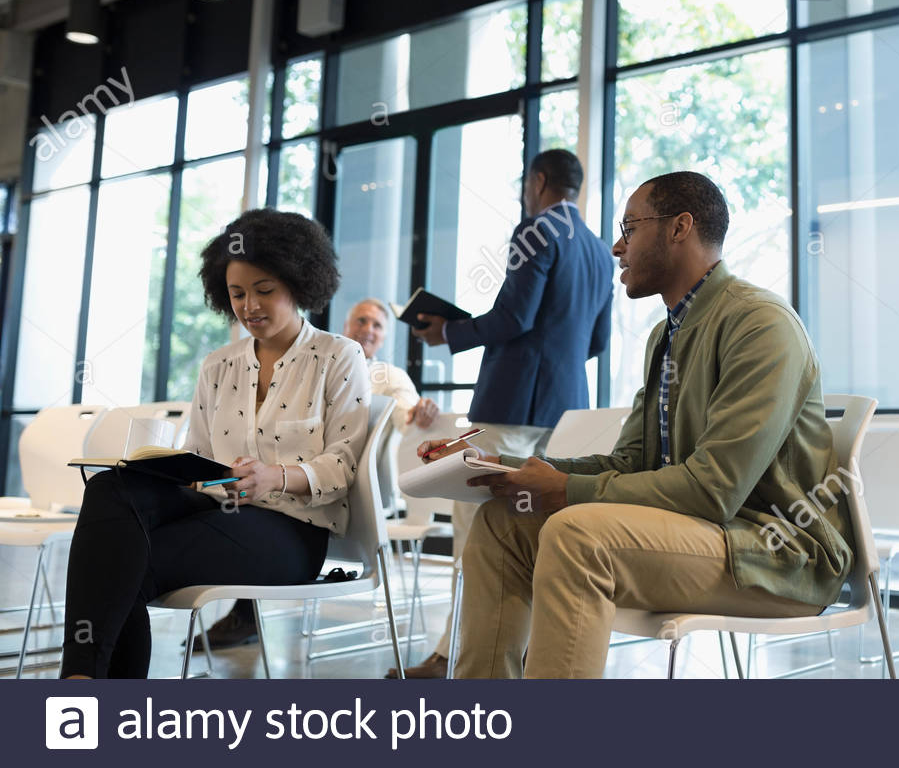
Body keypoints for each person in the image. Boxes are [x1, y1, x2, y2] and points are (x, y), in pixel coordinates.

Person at [429, 171, 852, 678]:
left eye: (630, 228)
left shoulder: (760, 324)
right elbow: (629, 463)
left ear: (680, 228)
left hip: (773, 551)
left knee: (577, 532)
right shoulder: (665, 335)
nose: (615, 246)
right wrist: (506, 467)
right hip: (705, 533)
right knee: (503, 521)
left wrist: (565, 488)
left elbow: (715, 490)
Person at [60, 209, 370, 678]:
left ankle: (88, 700)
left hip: (291, 530)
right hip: (217, 506)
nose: (249, 306)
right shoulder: (218, 364)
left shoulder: (338, 356)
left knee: (122, 565)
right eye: (237, 294)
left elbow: (343, 465)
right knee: (109, 488)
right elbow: (200, 453)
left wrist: (274, 476)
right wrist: (181, 472)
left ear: (299, 282)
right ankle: (85, 691)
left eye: (264, 290)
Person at [390, 148, 613, 679]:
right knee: (534, 537)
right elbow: (596, 341)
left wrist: (449, 331)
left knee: (480, 537)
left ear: (538, 181)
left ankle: (454, 657)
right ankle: (525, 655)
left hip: (510, 406)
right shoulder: (603, 252)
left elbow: (515, 315)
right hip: (563, 416)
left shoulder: (535, 229)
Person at [192, 297, 438, 652]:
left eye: (377, 325)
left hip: (351, 496)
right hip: (293, 493)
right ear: (346, 325)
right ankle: (244, 613)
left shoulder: (386, 376)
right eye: (361, 321)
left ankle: (244, 615)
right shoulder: (312, 367)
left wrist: (419, 412)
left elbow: (406, 413)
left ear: (384, 338)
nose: (368, 329)